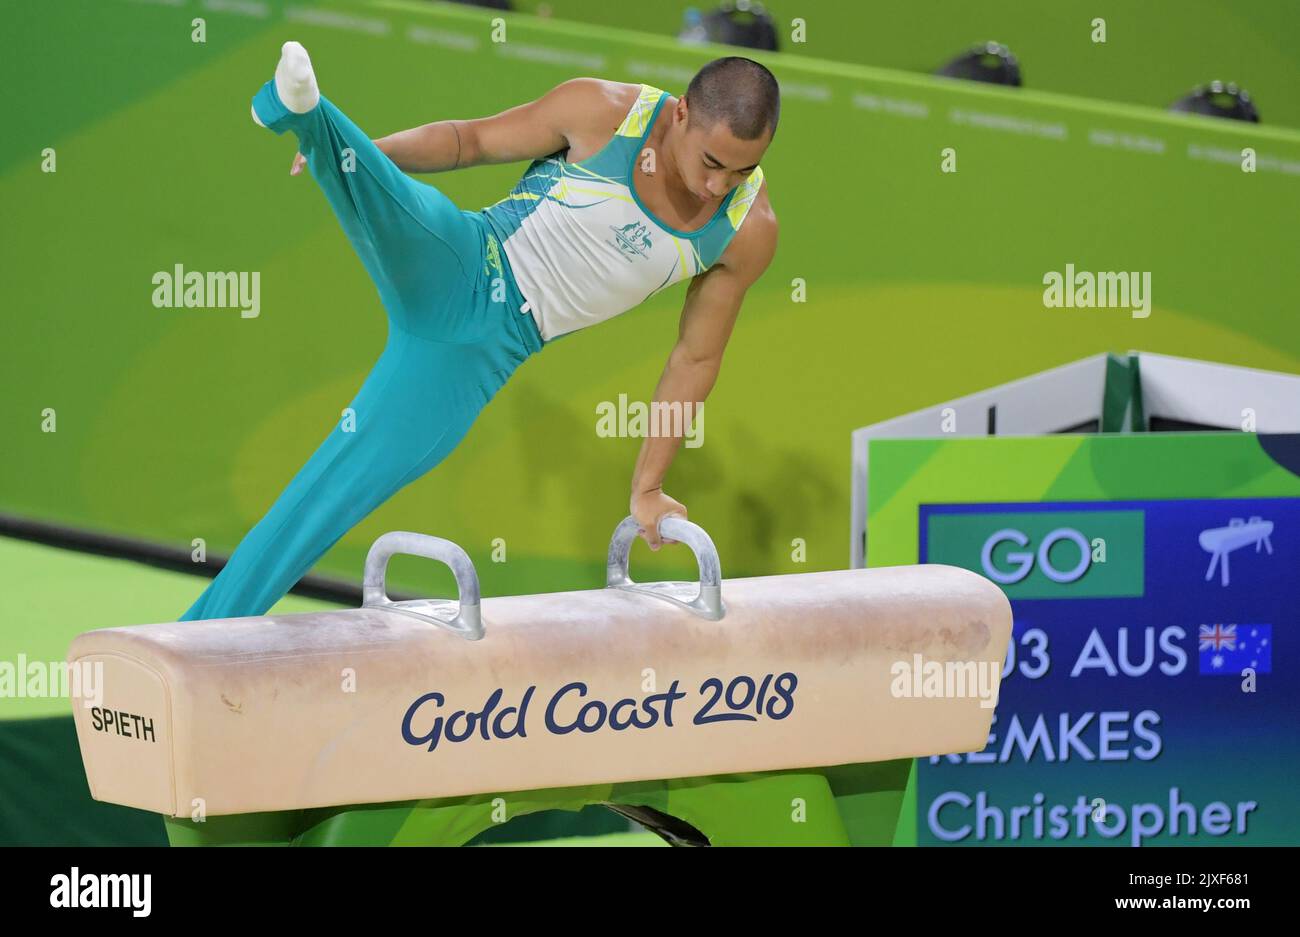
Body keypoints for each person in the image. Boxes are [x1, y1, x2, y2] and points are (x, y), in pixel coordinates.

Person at [181, 41, 778, 623]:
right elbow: (470, 141)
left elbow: (693, 360)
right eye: (711, 162)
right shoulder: (604, 112)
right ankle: (312, 118)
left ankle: (195, 638)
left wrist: (648, 487)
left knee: (327, 497)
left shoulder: (747, 229)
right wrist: (366, 151)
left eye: (742, 169)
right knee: (403, 201)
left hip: (478, 360)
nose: (718, 186)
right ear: (680, 114)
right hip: (469, 261)